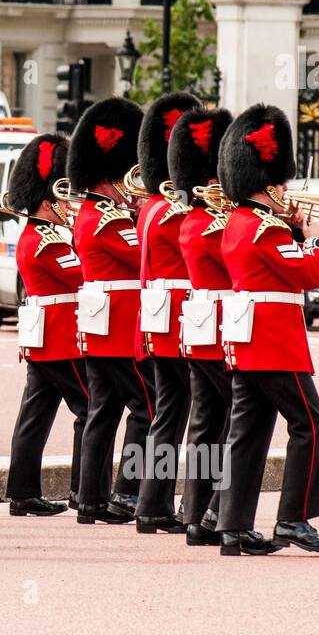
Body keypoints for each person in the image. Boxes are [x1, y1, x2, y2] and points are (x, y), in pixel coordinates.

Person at [216, 104, 319, 556]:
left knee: (246, 433)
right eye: (280, 184)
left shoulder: (240, 223)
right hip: (273, 342)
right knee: (310, 424)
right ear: (267, 184)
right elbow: (307, 274)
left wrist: (291, 227)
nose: (285, 190)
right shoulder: (265, 229)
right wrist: (317, 239)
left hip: (250, 342)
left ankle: (234, 527)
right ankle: (293, 519)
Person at [69, 99, 155, 526]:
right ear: (109, 179)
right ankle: (125, 492)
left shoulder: (93, 213)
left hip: (100, 324)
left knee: (102, 411)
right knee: (145, 407)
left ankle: (90, 500)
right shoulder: (108, 219)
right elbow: (143, 255)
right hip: (118, 326)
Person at [3, 133, 89, 517]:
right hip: (60, 337)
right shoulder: (49, 242)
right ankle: (83, 489)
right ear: (45, 202)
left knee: (34, 417)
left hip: (46, 336)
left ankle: (23, 493)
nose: (68, 206)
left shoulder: (37, 235)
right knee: (91, 409)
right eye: (62, 200)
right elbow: (82, 276)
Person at [167, 107, 235, 545]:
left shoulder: (195, 221)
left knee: (206, 424)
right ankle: (216, 511)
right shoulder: (210, 225)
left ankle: (196, 516)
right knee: (236, 422)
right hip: (219, 329)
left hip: (201, 328)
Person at [132, 92, 200, 534]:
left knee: (168, 416)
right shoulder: (174, 212)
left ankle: (150, 505)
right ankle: (182, 505)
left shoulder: (151, 207)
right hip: (179, 321)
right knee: (194, 416)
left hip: (160, 319)